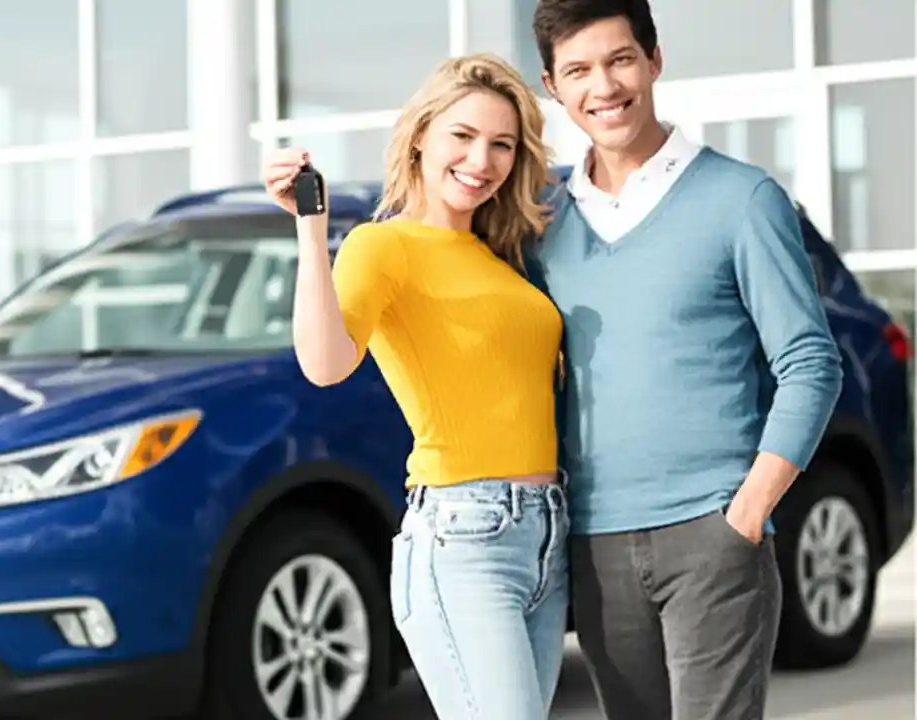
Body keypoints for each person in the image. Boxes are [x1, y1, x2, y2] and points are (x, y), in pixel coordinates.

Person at [527, 1, 844, 718]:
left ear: (654, 60)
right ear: (552, 86)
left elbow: (810, 361)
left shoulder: (742, 198)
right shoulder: (542, 220)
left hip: (713, 532)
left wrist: (748, 509)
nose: (602, 86)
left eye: (619, 60)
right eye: (578, 70)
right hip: (595, 541)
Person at [263, 53, 568, 719]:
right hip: (465, 536)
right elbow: (325, 363)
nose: (481, 160)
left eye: (501, 145)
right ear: (422, 135)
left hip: (546, 535)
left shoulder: (502, 256)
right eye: (462, 137)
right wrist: (310, 229)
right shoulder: (385, 246)